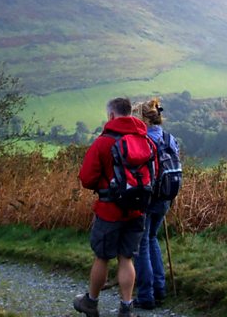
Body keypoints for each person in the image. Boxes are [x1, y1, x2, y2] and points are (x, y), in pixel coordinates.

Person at [74, 97, 149, 317]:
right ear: (130, 113)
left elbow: (86, 178)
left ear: (111, 115)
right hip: (137, 209)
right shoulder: (145, 140)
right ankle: (126, 307)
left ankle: (91, 302)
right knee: (126, 258)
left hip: (109, 210)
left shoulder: (103, 142)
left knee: (102, 257)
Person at [131, 98, 181, 310]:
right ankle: (159, 289)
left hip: (147, 198)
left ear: (142, 119)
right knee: (152, 239)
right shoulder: (170, 138)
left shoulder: (142, 140)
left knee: (142, 244)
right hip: (166, 197)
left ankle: (146, 295)